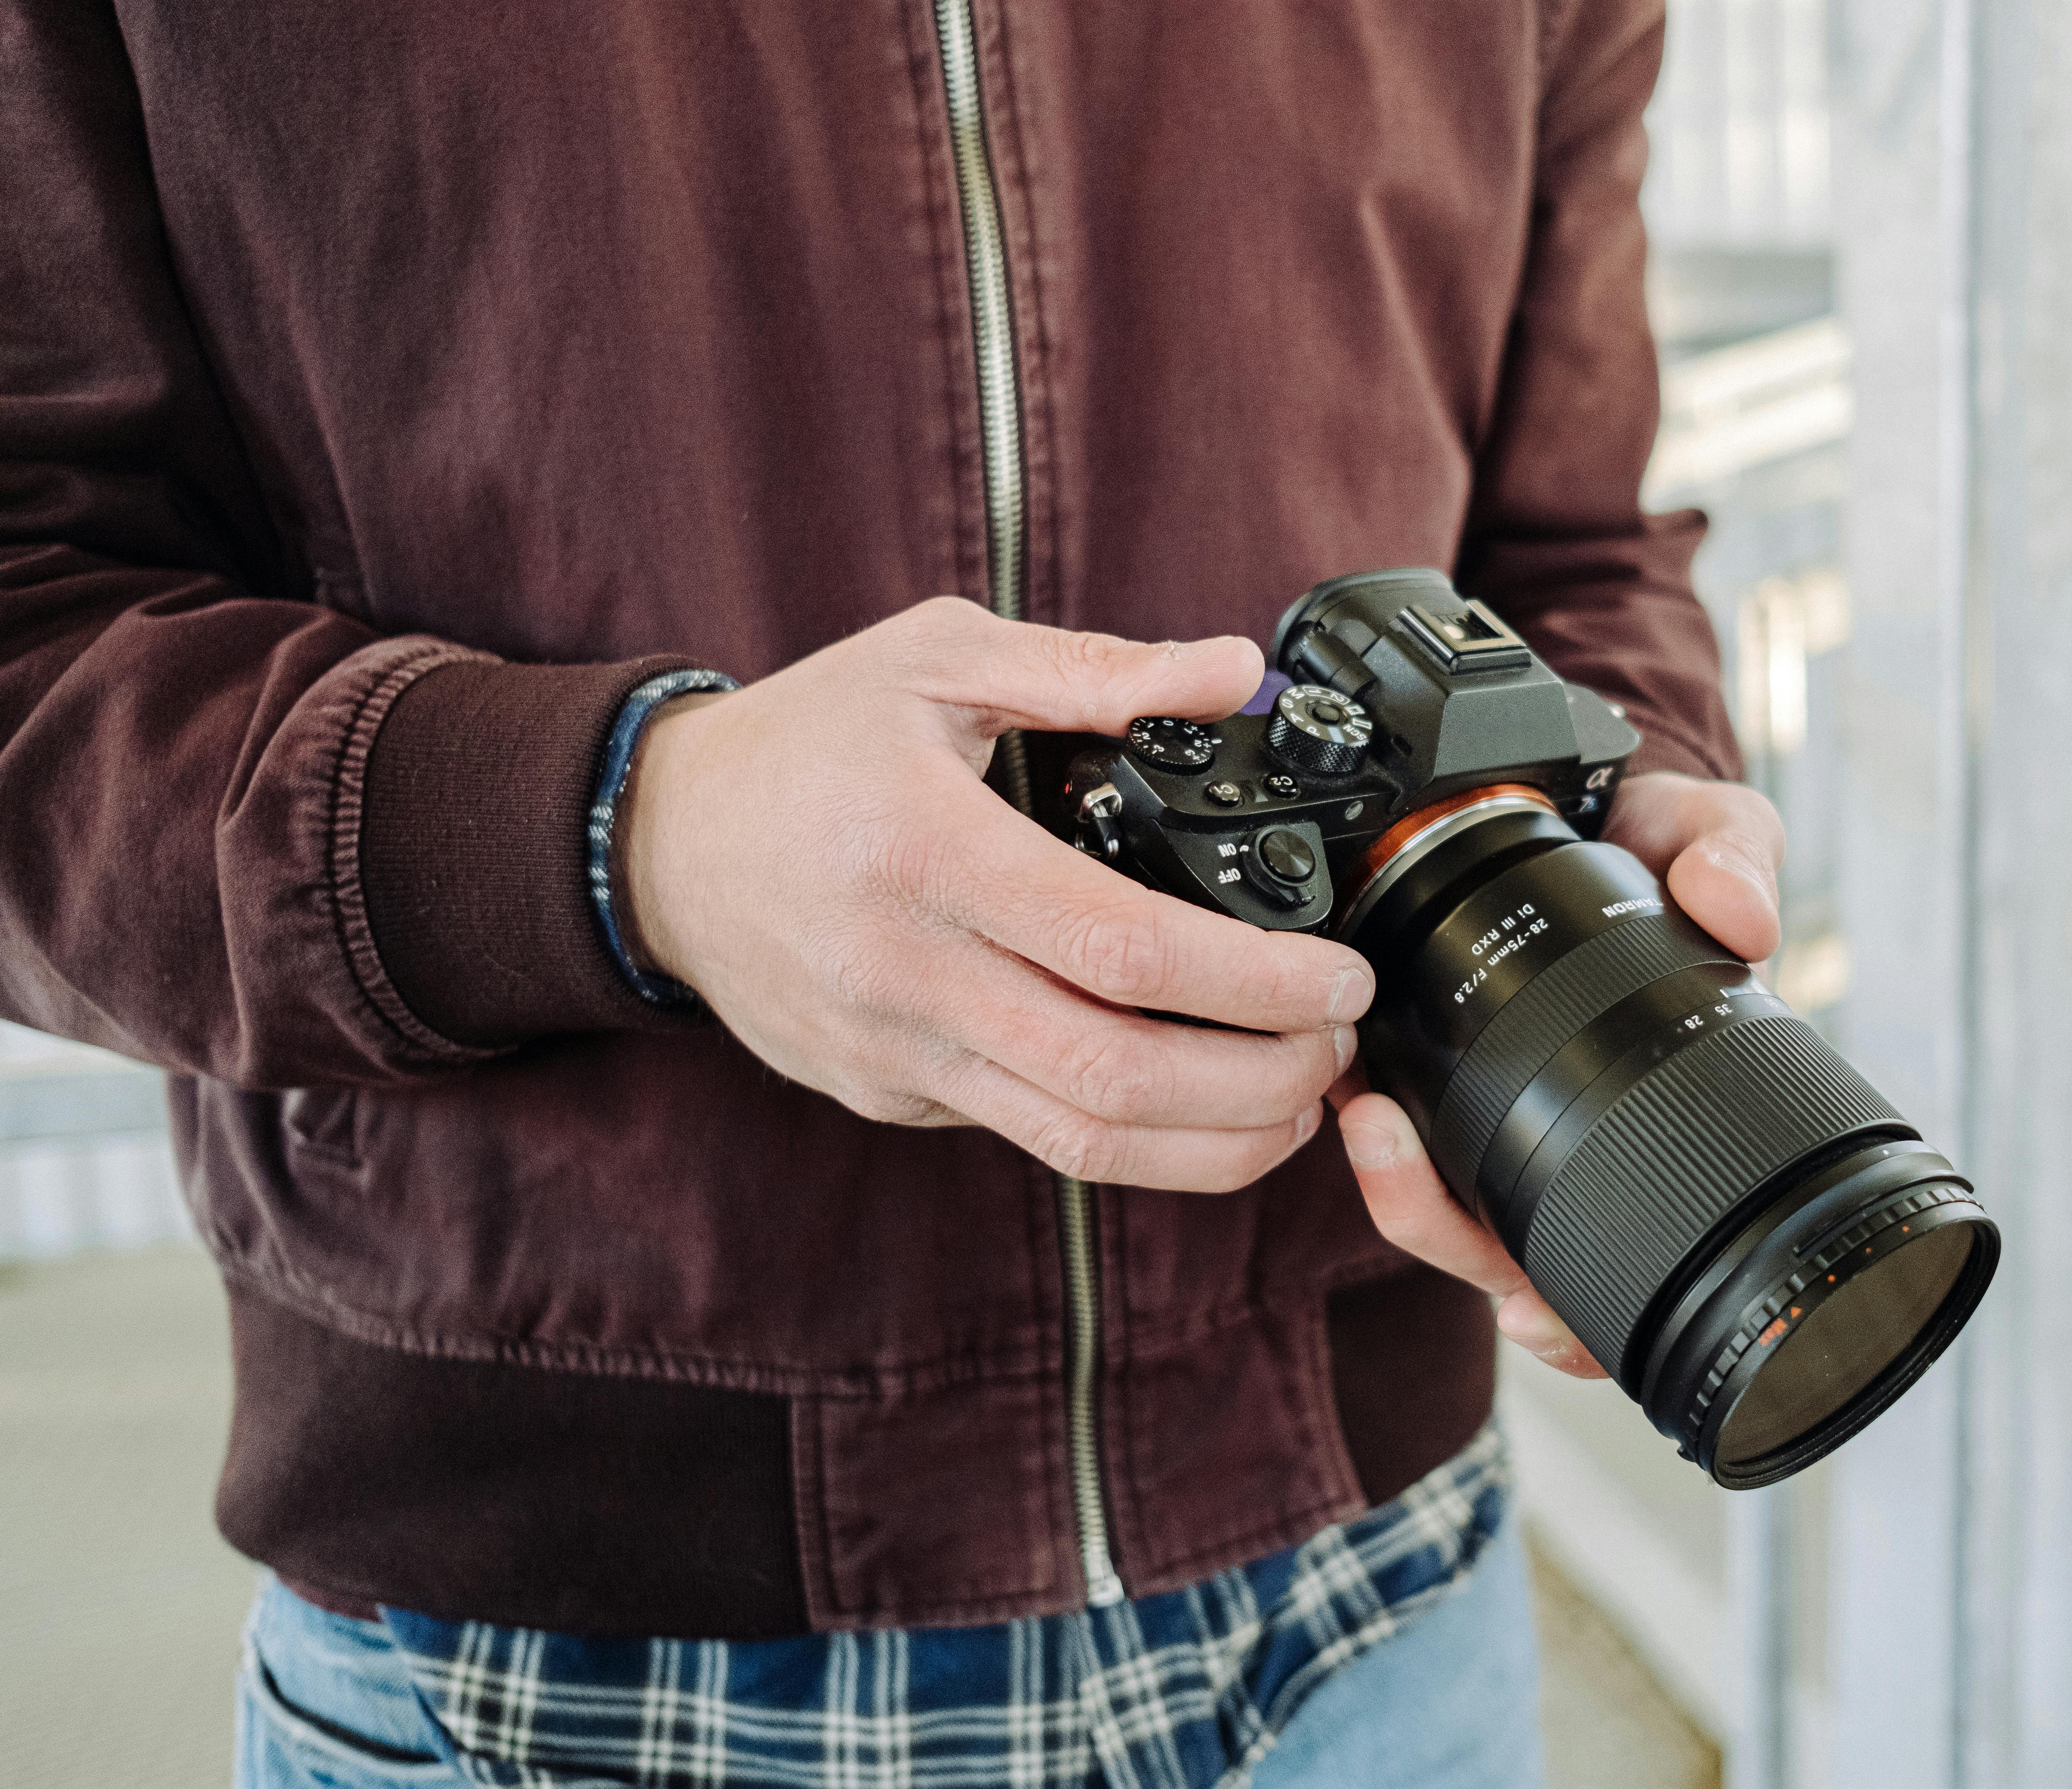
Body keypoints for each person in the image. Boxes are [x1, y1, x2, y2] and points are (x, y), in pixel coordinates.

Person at [0, 2, 1783, 1783]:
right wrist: (641, 834)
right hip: (551, 1672)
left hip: (1383, 1615)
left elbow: (1573, 547)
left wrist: (1628, 816)